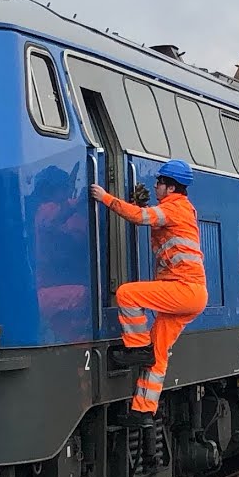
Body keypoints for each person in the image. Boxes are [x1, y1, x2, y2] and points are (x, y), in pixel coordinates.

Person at [90, 159, 208, 428]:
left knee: (127, 294)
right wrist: (143, 204)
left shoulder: (175, 208)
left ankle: (138, 347)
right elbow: (154, 218)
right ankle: (143, 412)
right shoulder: (178, 209)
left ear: (170, 187)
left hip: (183, 289)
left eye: (159, 183)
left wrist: (105, 197)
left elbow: (141, 218)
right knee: (159, 354)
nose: (155, 186)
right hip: (192, 294)